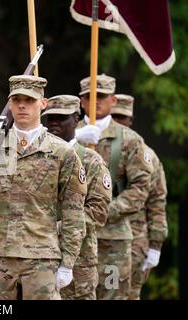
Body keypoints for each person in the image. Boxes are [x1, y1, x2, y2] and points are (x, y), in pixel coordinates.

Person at [0, 75, 87, 300]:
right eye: (17, 100)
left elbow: (74, 212)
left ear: (42, 104)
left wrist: (68, 262)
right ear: (9, 103)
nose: (22, 105)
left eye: (29, 100)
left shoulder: (62, 152)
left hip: (41, 256)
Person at [75, 74, 153, 299]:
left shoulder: (129, 140)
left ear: (113, 101)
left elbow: (141, 187)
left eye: (102, 96)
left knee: (112, 294)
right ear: (81, 101)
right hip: (73, 235)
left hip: (112, 237)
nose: (95, 101)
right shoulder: (67, 137)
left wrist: (107, 211)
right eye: (90, 96)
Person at [42, 95, 112, 300]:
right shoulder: (37, 156)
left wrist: (58, 226)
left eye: (61, 117)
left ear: (75, 119)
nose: (54, 122)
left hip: (79, 260)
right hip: (39, 256)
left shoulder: (91, 161)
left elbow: (98, 212)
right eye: (50, 117)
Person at [111, 94, 168, 300]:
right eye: (113, 117)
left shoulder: (147, 155)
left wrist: (156, 245)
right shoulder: (94, 148)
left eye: (122, 118)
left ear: (130, 121)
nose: (118, 122)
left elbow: (157, 201)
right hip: (104, 240)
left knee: (128, 295)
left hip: (135, 241)